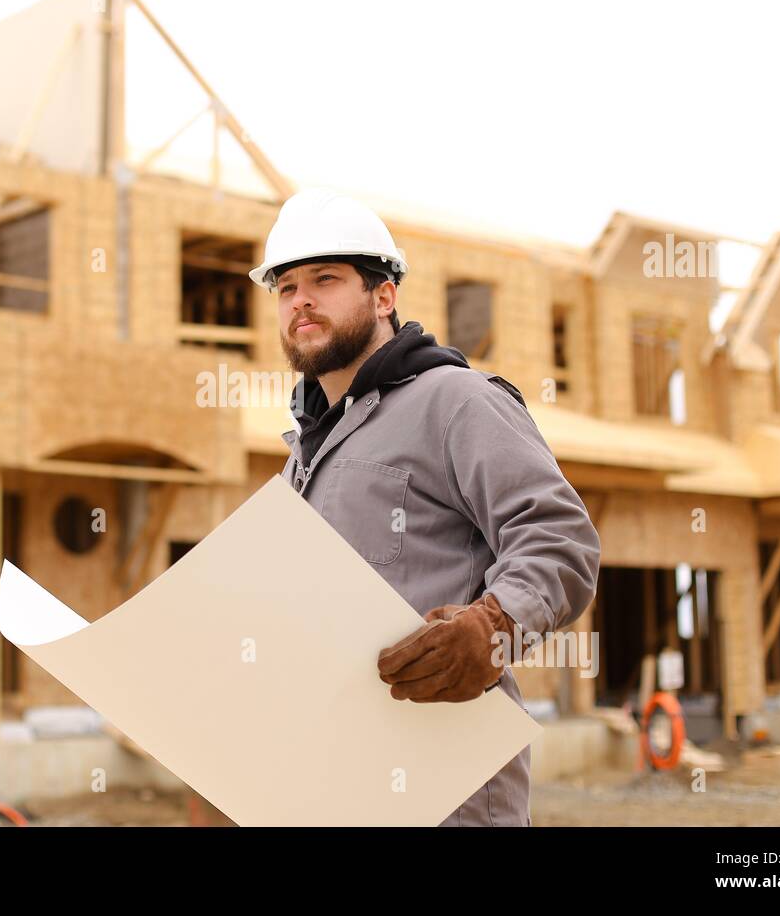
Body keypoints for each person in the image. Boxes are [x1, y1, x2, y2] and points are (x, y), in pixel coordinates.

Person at [249, 187, 601, 826]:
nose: (301, 298)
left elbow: (559, 538)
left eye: (325, 279)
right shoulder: (302, 455)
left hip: (449, 795)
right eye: (286, 286)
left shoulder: (456, 402)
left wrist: (492, 628)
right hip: (341, 787)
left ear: (384, 296)